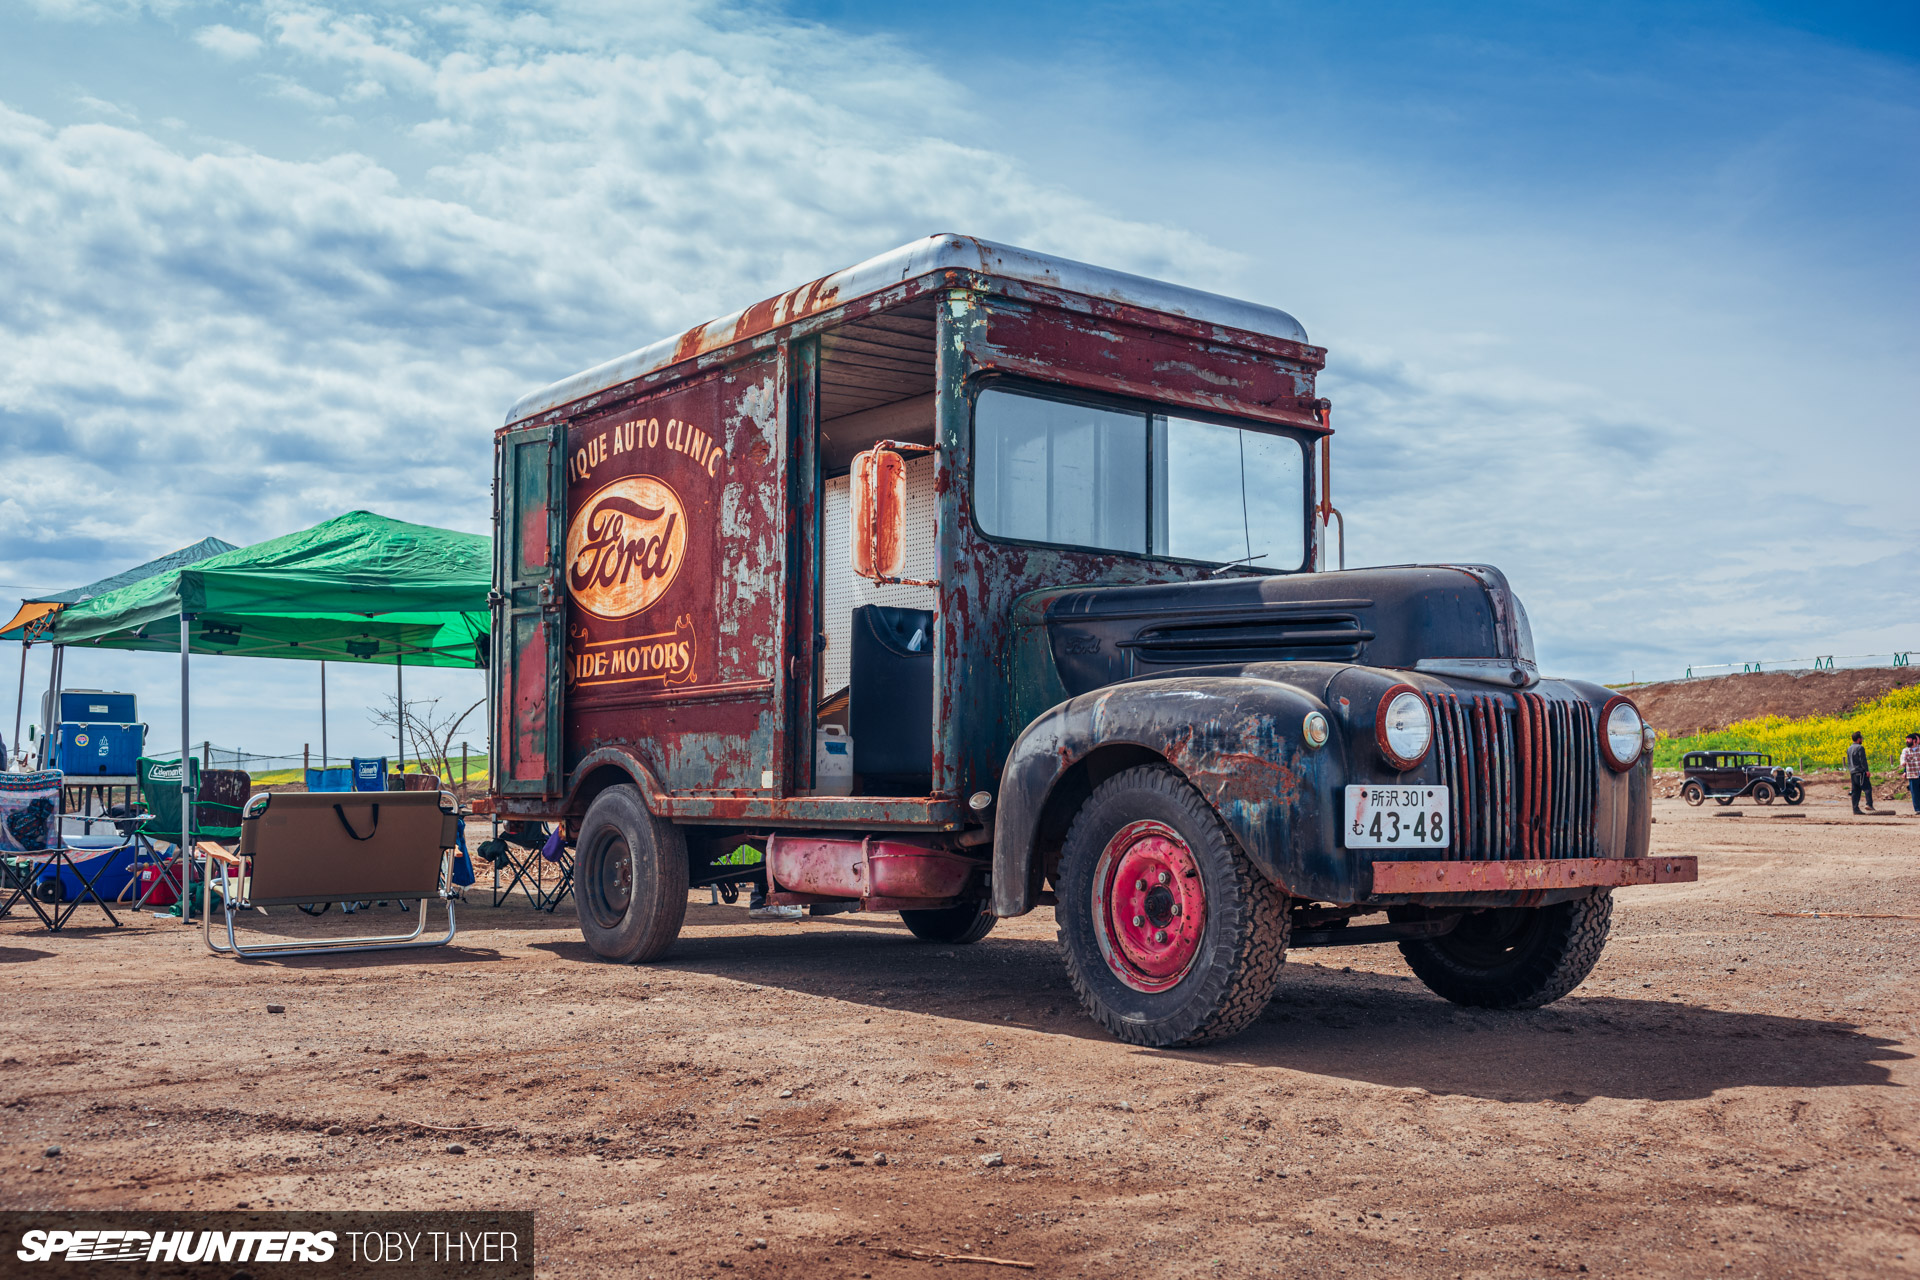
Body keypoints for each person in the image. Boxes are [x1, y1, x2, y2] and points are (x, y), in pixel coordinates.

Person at [1846, 730, 1875, 814]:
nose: (1862, 740)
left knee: (1855, 791)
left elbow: (1848, 761)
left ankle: (1855, 809)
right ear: (1859, 739)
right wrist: (1866, 770)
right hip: (1860, 772)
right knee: (1867, 788)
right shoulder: (1860, 748)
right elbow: (1863, 760)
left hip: (1852, 772)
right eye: (1861, 738)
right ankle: (1869, 804)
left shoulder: (1849, 748)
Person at [1902, 732, 1920, 816]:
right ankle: (1917, 809)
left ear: (1914, 740)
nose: (1907, 741)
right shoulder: (1905, 750)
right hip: (1912, 774)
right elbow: (1903, 758)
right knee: (1914, 793)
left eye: (1908, 739)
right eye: (1906, 740)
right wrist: (1903, 763)